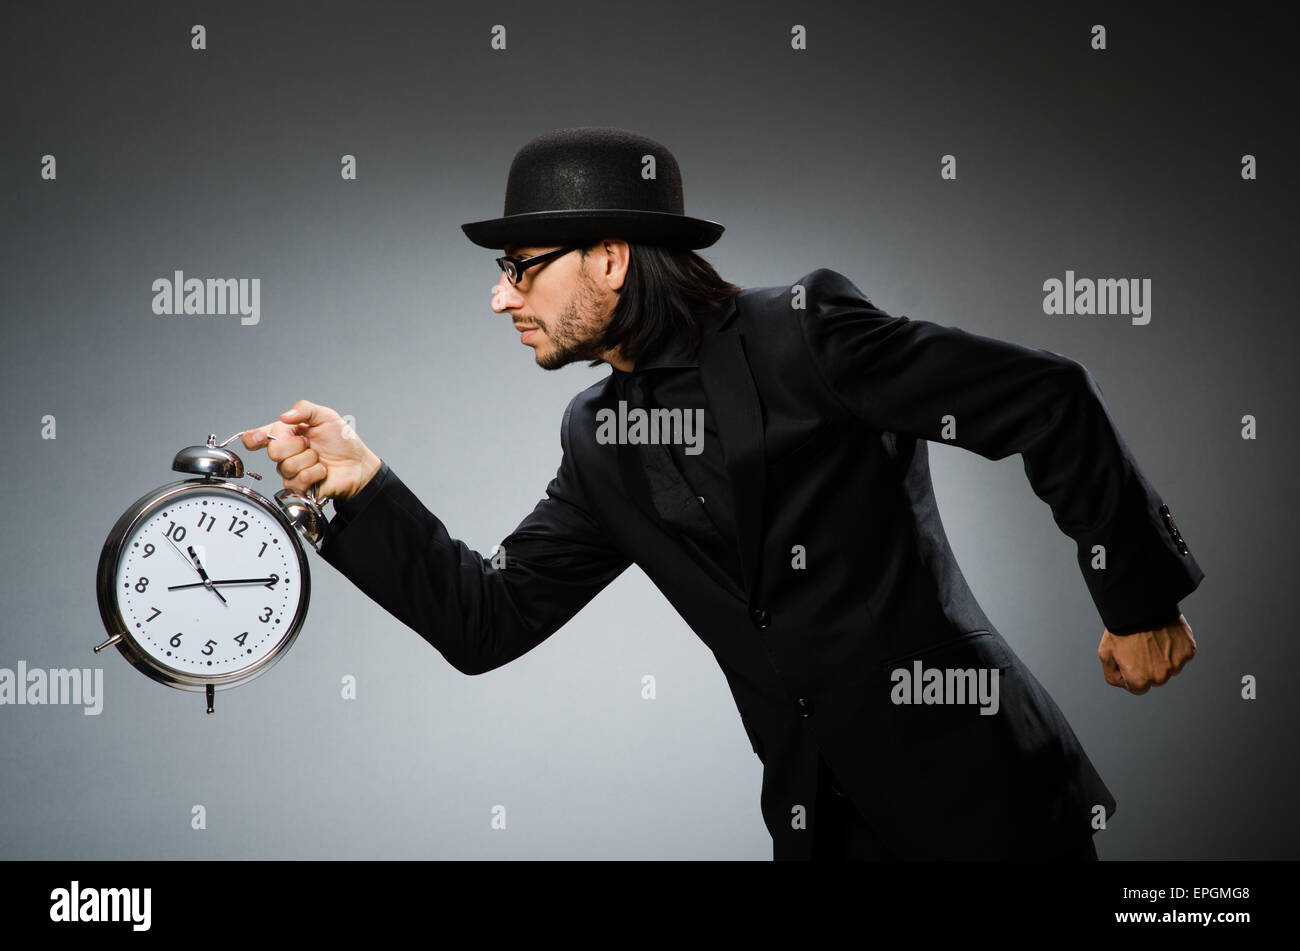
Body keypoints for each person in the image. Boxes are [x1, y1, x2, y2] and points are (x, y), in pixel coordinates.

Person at [241, 126, 1203, 860]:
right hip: (817, 827)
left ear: (610, 259)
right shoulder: (597, 434)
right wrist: (362, 489)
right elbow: (489, 620)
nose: (502, 299)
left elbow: (1045, 397)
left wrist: (1137, 598)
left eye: (521, 269)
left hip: (987, 806)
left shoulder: (805, 333)